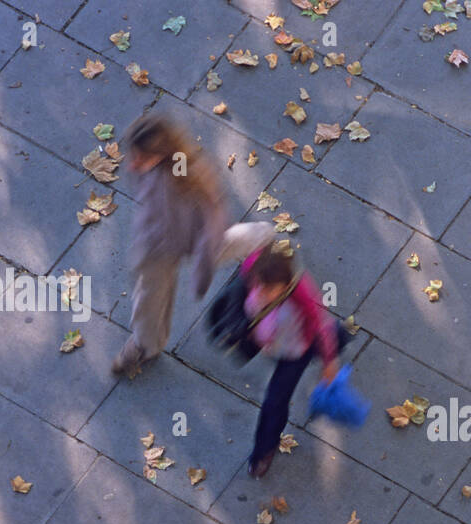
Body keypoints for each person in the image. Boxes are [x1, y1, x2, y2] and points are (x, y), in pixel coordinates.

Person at [112, 114, 271, 378]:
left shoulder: (184, 171)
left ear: (161, 154)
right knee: (148, 298)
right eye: (133, 156)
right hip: (159, 248)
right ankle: (145, 346)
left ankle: (263, 237)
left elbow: (212, 214)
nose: (132, 164)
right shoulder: (148, 170)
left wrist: (202, 266)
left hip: (199, 242)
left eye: (140, 157)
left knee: (228, 243)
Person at [238, 243, 353, 479]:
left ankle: (263, 452)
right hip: (274, 341)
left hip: (296, 349)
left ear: (286, 285)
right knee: (331, 337)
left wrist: (329, 362)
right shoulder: (253, 268)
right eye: (260, 286)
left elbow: (318, 326)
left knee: (274, 402)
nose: (263, 293)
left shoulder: (302, 294)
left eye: (271, 290)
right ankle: (340, 336)